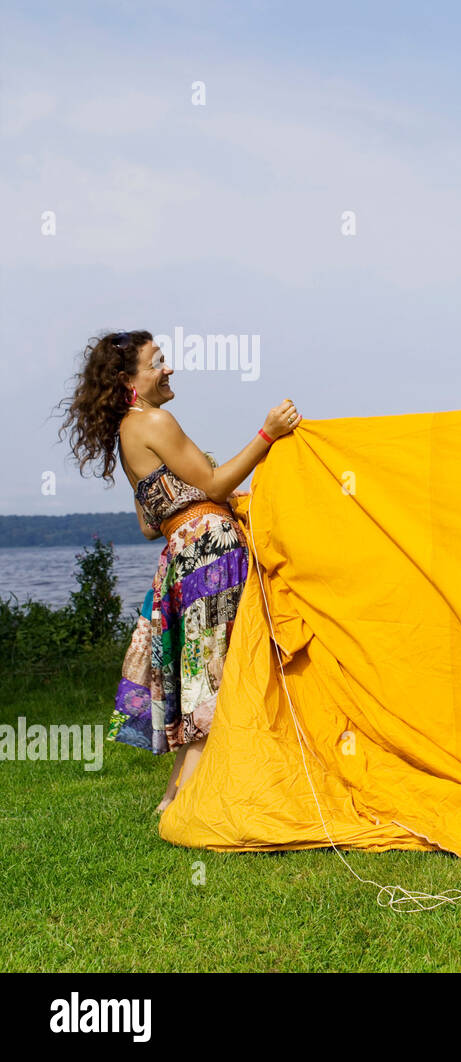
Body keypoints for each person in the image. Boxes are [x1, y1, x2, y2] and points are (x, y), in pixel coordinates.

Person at [58, 330, 301, 812]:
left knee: (202, 676)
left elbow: (150, 525)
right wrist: (268, 433)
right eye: (157, 362)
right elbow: (213, 483)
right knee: (218, 677)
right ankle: (189, 804)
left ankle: (172, 798)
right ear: (129, 380)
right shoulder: (157, 421)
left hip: (181, 557)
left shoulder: (126, 434)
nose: (168, 369)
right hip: (212, 554)